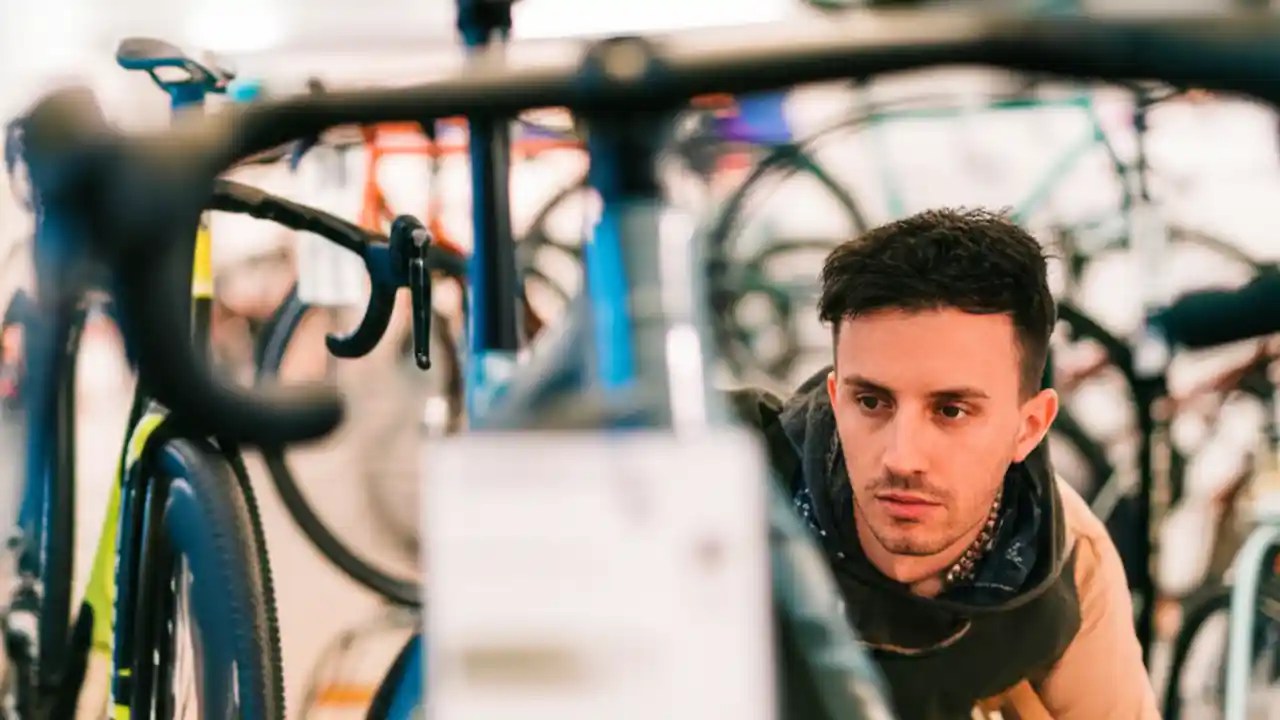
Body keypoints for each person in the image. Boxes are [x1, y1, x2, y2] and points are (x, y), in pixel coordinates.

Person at [732, 208, 1159, 719]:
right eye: (871, 402)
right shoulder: (732, 493)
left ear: (1028, 428)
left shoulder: (1063, 563)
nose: (902, 457)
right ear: (835, 397)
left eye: (951, 411)